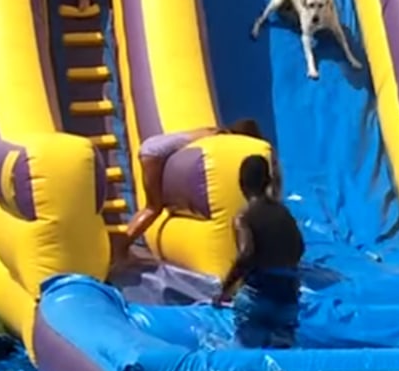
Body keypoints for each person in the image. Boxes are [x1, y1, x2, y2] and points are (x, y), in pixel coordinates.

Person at [118, 118, 269, 251]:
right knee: (153, 208)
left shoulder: (213, 131)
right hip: (155, 153)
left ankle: (122, 245)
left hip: (152, 146)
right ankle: (122, 247)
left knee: (152, 207)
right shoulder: (221, 138)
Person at [214, 154, 304, 349]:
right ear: (268, 181)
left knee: (247, 352)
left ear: (241, 184)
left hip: (258, 295)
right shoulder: (284, 213)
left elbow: (246, 252)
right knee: (284, 351)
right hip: (287, 297)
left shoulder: (244, 216)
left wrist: (225, 289)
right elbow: (299, 248)